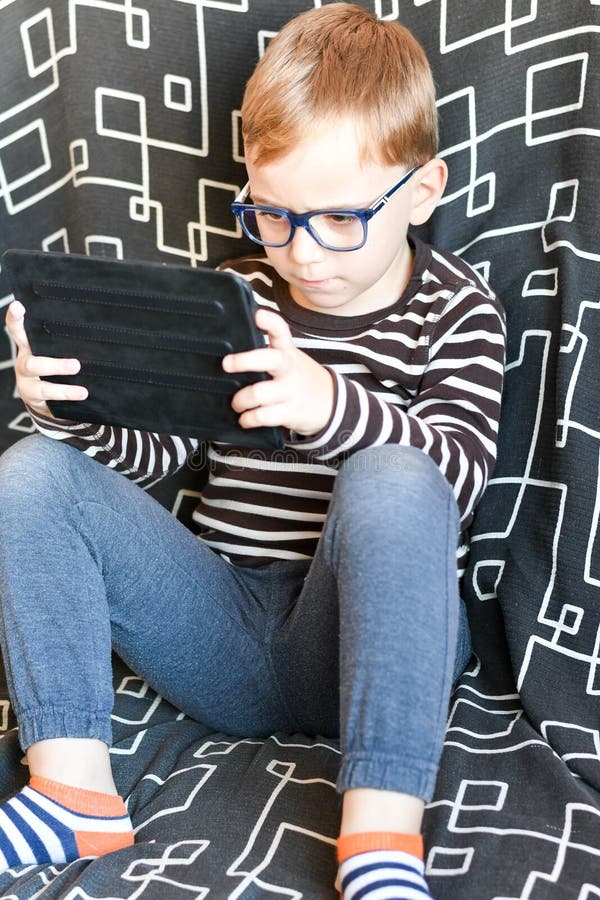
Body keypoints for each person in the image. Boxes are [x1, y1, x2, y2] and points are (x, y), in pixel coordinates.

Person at [0, 4, 505, 897]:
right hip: (222, 634)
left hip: (365, 651)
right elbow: (156, 456)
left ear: (423, 191)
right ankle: (73, 790)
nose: (302, 253)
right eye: (272, 215)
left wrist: (328, 405)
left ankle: (381, 835)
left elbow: (457, 479)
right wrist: (74, 410)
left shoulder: (457, 309)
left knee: (396, 475)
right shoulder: (240, 290)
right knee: (34, 470)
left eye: (340, 218)